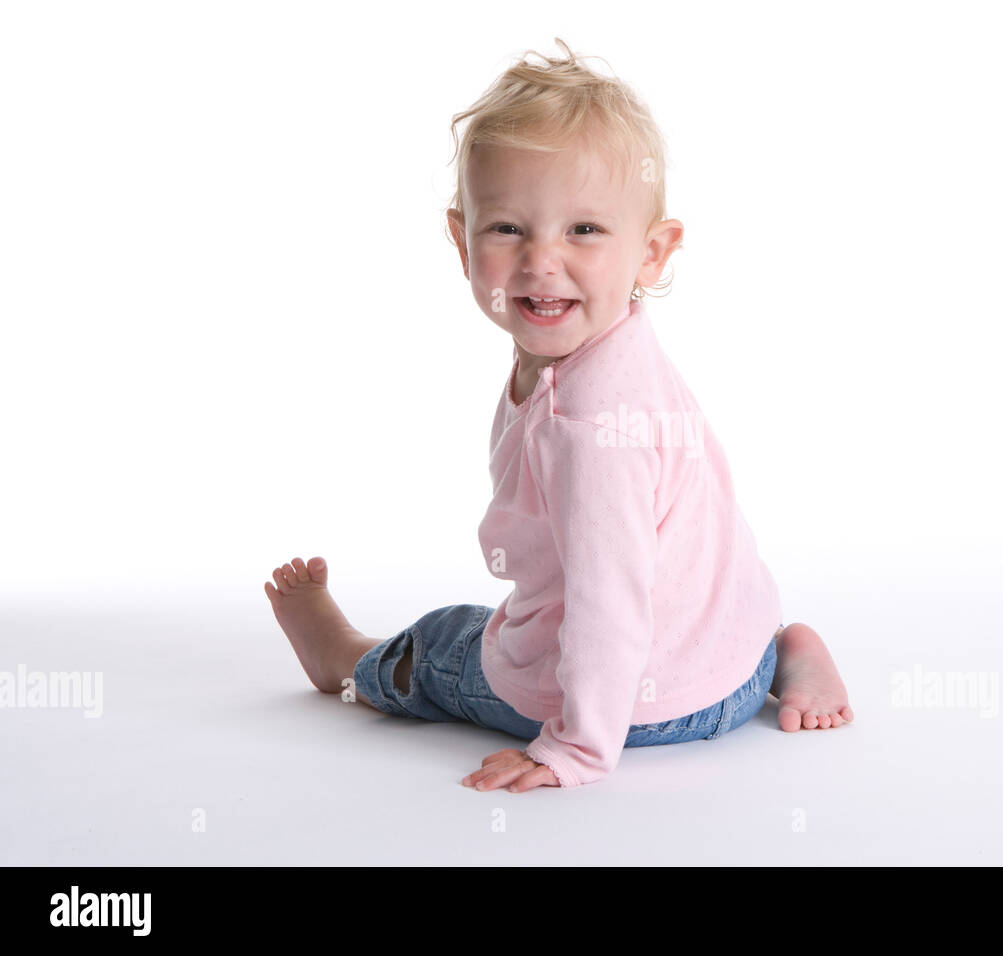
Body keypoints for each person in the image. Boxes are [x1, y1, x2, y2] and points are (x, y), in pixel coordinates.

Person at [265, 38, 852, 792]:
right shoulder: (619, 350)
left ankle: (346, 657)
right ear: (461, 239)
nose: (543, 260)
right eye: (509, 228)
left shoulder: (589, 424)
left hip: (643, 708)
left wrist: (574, 747)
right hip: (728, 661)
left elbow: (608, 602)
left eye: (583, 230)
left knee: (452, 641)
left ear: (652, 252)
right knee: (597, 601)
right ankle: (783, 649)